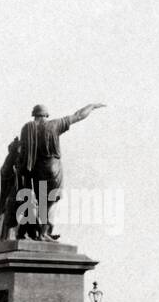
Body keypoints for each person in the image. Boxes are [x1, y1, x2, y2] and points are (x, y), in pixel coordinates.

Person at [14, 102, 105, 240]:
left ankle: (39, 230)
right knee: (52, 199)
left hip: (35, 170)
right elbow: (79, 115)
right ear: (46, 115)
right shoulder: (54, 124)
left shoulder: (26, 128)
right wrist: (92, 106)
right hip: (53, 168)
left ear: (34, 115)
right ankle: (44, 231)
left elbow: (23, 152)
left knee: (41, 199)